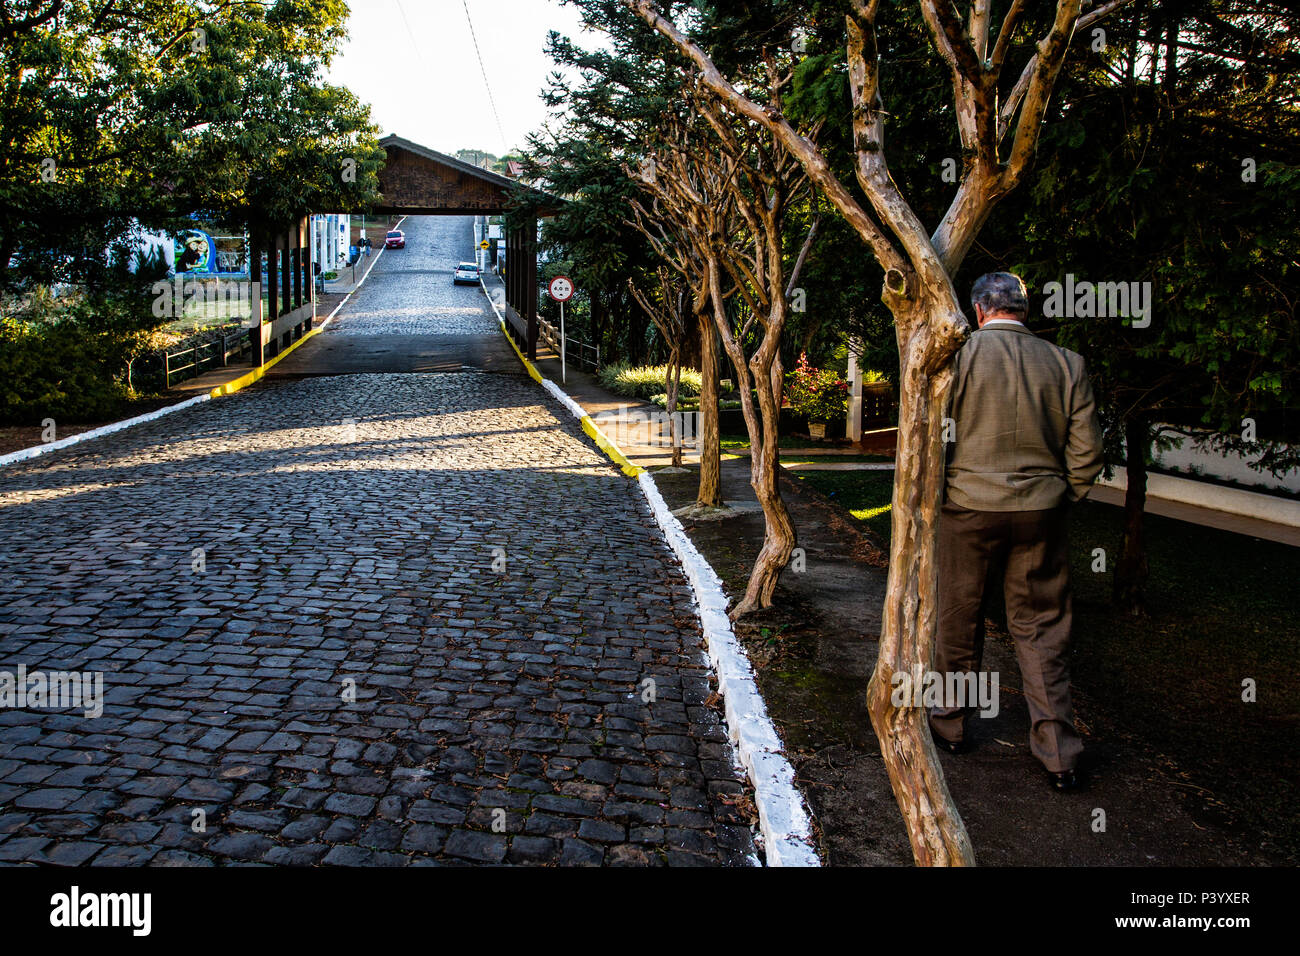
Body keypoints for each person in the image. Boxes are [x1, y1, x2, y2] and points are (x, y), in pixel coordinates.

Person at [931, 271, 1104, 791]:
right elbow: (1088, 452)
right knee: (1042, 628)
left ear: (980, 310)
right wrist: (1061, 494)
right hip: (1042, 512)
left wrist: (939, 498)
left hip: (966, 508)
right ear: (1023, 310)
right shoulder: (1067, 364)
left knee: (957, 619)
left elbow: (933, 441)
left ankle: (952, 727)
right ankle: (1059, 754)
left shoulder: (954, 360)